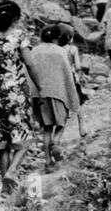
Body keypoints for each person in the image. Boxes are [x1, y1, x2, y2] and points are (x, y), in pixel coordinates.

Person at [0, 0, 40, 198]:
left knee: (2, 143)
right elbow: (29, 63)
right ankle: (12, 172)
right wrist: (41, 86)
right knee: (24, 137)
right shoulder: (20, 37)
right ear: (16, 18)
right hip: (17, 95)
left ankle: (6, 191)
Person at [30, 26, 86, 169]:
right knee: (61, 123)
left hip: (39, 94)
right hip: (58, 93)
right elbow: (67, 75)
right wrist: (71, 94)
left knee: (47, 128)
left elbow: (30, 72)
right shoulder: (61, 52)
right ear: (56, 38)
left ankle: (48, 162)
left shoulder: (34, 51)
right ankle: (56, 141)